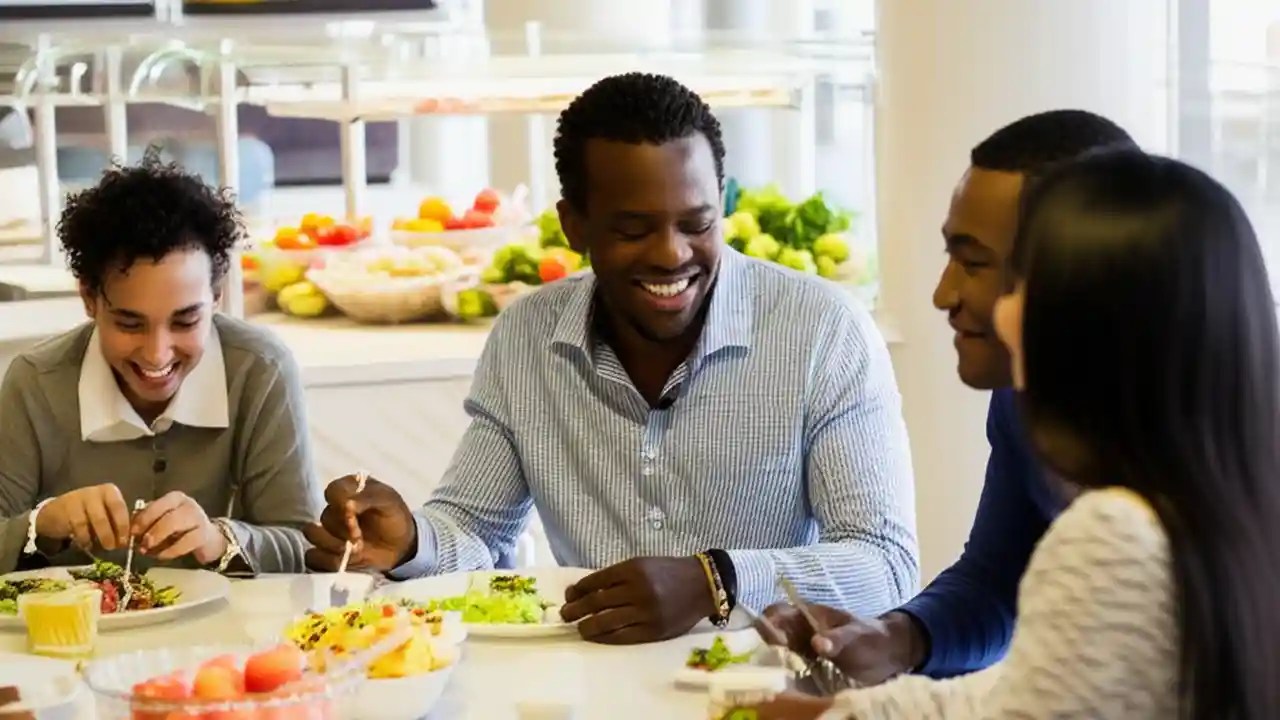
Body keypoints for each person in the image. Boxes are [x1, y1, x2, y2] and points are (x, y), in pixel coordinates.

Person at [305, 72, 918, 645]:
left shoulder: (823, 331)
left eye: (697, 223)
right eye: (632, 230)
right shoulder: (527, 336)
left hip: (757, 685)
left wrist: (715, 582)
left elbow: (885, 564)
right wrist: (411, 539)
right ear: (574, 226)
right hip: (585, 686)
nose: (672, 255)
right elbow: (476, 531)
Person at [752, 150, 1280, 719]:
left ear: (1083, 316)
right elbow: (1015, 675)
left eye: (1017, 279)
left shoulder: (1113, 533)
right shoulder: (1229, 496)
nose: (976, 303)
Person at [763, 110, 1138, 682]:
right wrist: (893, 637)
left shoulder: (1207, 453)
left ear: (1072, 269)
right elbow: (994, 581)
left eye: (974, 262)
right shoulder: (1023, 398)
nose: (944, 294)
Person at [0, 151, 320, 575]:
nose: (157, 353)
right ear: (89, 300)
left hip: (226, 637)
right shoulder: (35, 384)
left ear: (217, 296)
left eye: (186, 320)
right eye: (129, 323)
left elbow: (304, 547)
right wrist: (44, 524)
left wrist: (217, 540)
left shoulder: (259, 370)